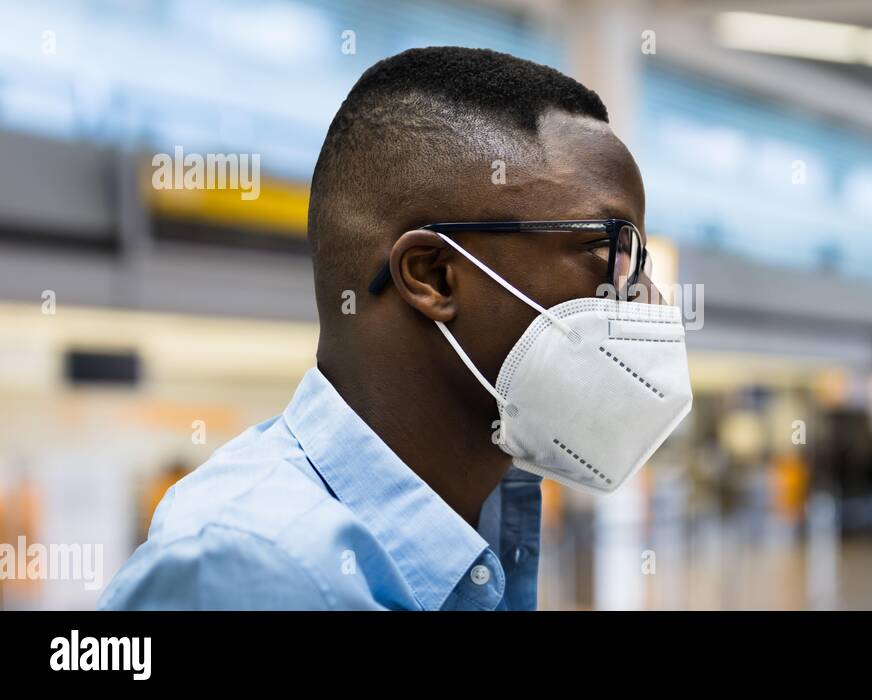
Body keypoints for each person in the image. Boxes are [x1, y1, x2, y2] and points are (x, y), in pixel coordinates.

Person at [99, 47, 693, 611]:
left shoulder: (477, 526)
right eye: (609, 246)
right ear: (432, 275)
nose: (644, 296)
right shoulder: (251, 571)